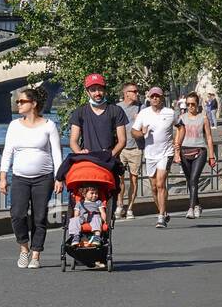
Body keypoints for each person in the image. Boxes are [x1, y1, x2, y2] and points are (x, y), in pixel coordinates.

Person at [0, 86, 63, 269]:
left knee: (40, 216)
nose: (18, 104)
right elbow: (8, 152)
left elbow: (57, 154)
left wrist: (59, 178)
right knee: (17, 214)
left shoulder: (49, 126)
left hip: (44, 178)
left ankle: (36, 254)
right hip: (20, 177)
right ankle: (24, 249)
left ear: (33, 104)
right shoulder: (14, 126)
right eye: (17, 101)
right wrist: (3, 176)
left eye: (22, 101)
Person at [68, 73, 127, 213]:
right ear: (87, 91)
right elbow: (73, 140)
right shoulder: (80, 112)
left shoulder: (115, 111)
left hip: (108, 159)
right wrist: (79, 153)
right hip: (88, 160)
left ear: (104, 89)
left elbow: (122, 140)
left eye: (100, 89)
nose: (97, 93)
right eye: (93, 89)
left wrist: (110, 155)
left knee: (109, 193)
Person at [132, 87, 179, 228]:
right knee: (153, 187)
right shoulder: (143, 113)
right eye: (152, 96)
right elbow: (134, 131)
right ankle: (163, 212)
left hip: (166, 153)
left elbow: (180, 127)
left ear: (162, 97)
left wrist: (177, 144)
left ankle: (160, 217)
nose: (154, 98)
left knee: (160, 184)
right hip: (150, 154)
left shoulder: (170, 113)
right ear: (149, 98)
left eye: (157, 96)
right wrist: (142, 133)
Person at [174, 92, 216, 218]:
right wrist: (176, 152)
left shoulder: (203, 118)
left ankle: (191, 208)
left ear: (197, 104)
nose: (190, 107)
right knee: (190, 181)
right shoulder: (182, 117)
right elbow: (177, 135)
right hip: (184, 151)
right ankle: (197, 204)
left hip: (200, 150)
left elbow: (208, 137)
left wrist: (211, 156)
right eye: (188, 104)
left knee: (194, 179)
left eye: (193, 104)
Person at [116, 82, 142, 219]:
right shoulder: (117, 108)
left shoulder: (141, 108)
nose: (137, 93)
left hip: (136, 148)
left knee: (134, 179)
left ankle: (130, 208)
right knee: (119, 179)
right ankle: (120, 205)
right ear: (126, 93)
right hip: (121, 148)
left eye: (137, 91)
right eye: (134, 91)